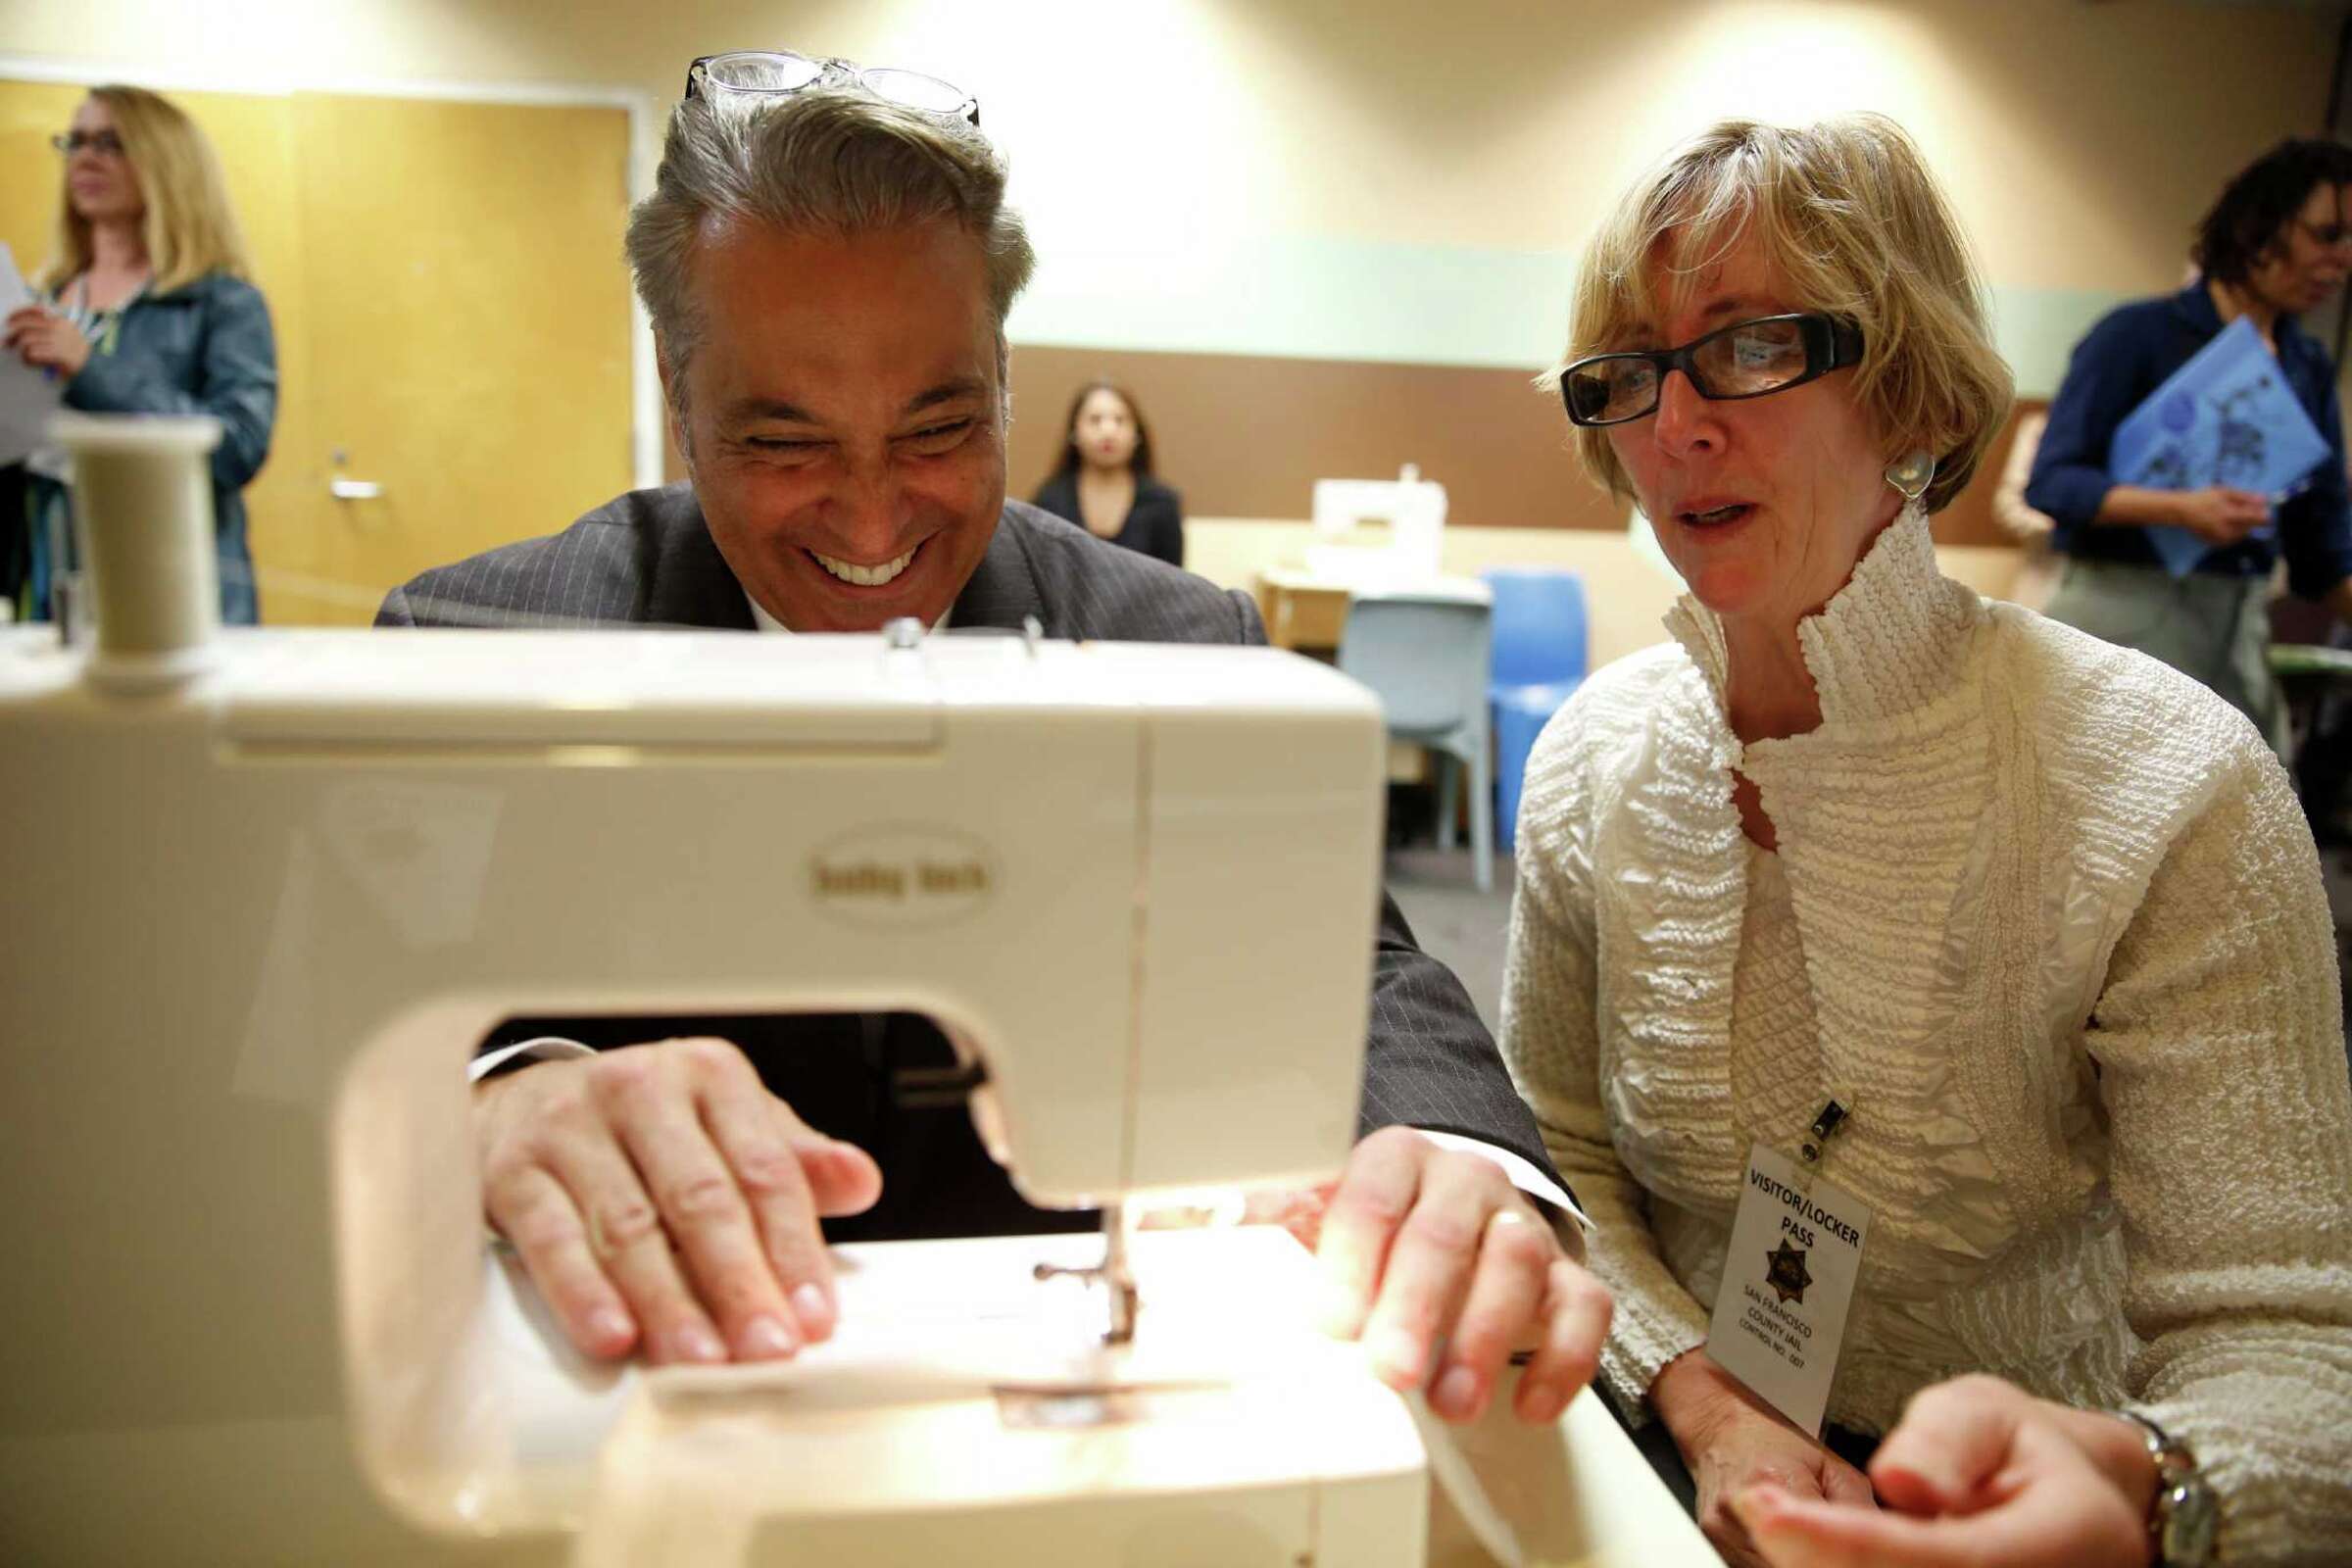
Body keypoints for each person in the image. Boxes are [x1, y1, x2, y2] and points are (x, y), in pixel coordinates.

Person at [379, 51, 1608, 1430]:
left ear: (1005, 377)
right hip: (629, 1423)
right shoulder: (476, 649)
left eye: (940, 427)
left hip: (1056, 1399)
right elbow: (309, 1043)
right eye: (785, 441)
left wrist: (1451, 1167)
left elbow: (1356, 974)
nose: (869, 521)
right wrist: (480, 1102)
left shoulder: (1173, 640)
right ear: (681, 392)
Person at [1509, 114, 2352, 1567]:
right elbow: (1558, 1159)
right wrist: (1708, 1404)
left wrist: (2153, 1494)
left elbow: (2292, 1349)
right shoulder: (1594, 755)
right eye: (1631, 371)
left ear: (1912, 394)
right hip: (1665, 1463)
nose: (1675, 425)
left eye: (1752, 345)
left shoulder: (2173, 788)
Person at [2027, 139, 2352, 761]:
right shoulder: (2137, 335)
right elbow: (2053, 483)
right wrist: (2180, 509)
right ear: (2261, 224)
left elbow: (2323, 548)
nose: (2340, 260)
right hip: (2122, 619)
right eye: (2326, 234)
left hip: (2237, 637)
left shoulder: (2308, 367)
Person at [3, 85, 276, 625]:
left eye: (110, 142)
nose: (85, 156)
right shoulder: (39, 301)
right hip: (44, 587)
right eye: (76, 141)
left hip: (172, 602)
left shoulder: (221, 303)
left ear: (166, 162)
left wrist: (92, 370)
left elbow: (239, 445)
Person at [1029, 380, 1184, 564]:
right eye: (1095, 420)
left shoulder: (1162, 503)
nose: (1108, 431)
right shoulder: (1049, 500)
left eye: (1120, 420)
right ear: (1074, 432)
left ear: (1136, 435)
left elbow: (1173, 582)